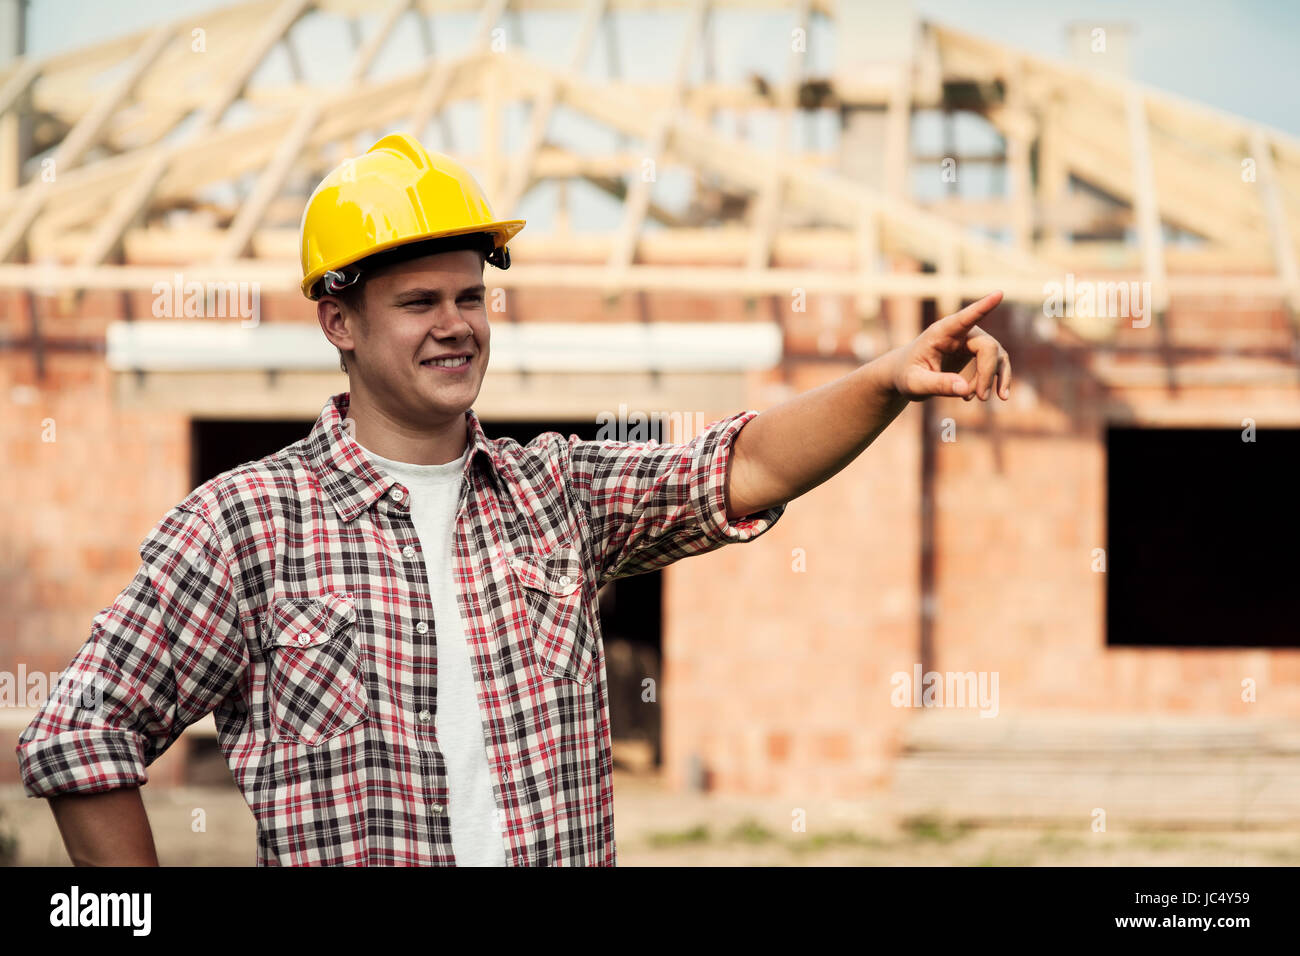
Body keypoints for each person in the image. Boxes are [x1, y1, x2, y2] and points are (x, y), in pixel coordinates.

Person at [16, 132, 1011, 866]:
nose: (456, 326)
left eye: (469, 296)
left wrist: (887, 378)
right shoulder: (247, 526)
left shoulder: (555, 494)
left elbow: (739, 466)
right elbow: (79, 729)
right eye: (419, 302)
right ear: (339, 321)